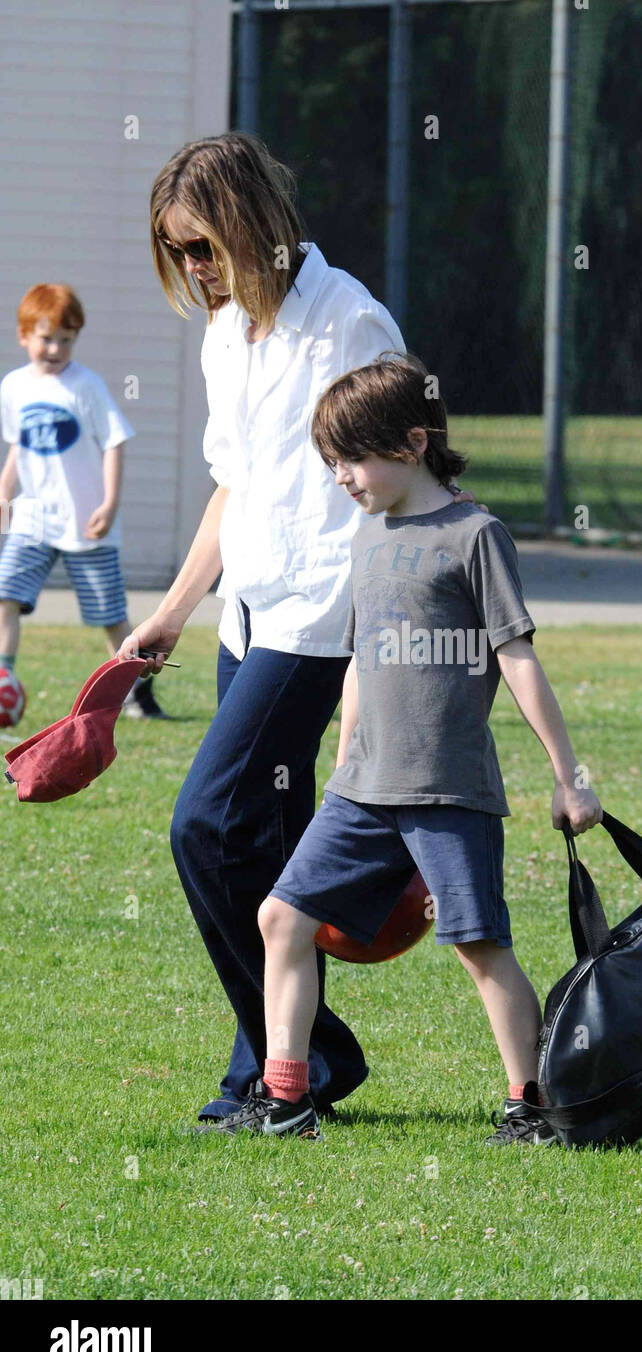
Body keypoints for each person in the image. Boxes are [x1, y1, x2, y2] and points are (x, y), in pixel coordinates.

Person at [119, 133, 476, 1121]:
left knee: (202, 826)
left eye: (202, 246)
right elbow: (235, 484)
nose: (192, 269)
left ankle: (312, 1055)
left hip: (321, 620)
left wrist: (382, 654)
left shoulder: (350, 324)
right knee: (265, 857)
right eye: (175, 251)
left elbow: (397, 495)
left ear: (249, 224)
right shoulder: (223, 334)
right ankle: (273, 1074)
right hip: (246, 614)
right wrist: (173, 610)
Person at [202, 353, 602, 1146]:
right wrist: (345, 757)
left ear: (413, 442)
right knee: (281, 918)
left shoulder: (475, 535)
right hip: (361, 791)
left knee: (479, 946)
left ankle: (531, 1106)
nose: (341, 477)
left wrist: (569, 776)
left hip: (447, 791)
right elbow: (359, 661)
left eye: (351, 459)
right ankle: (287, 1099)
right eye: (331, 463)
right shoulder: (366, 538)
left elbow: (518, 659)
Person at [0, 284, 165, 720]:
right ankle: (3, 681)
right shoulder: (13, 386)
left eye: (66, 340)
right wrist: (4, 490)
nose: (55, 348)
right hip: (33, 519)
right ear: (23, 336)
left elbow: (114, 443)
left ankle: (137, 696)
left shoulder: (86, 386)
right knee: (4, 595)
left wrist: (109, 504)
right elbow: (18, 444)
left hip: (86, 523)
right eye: (46, 338)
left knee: (110, 616)